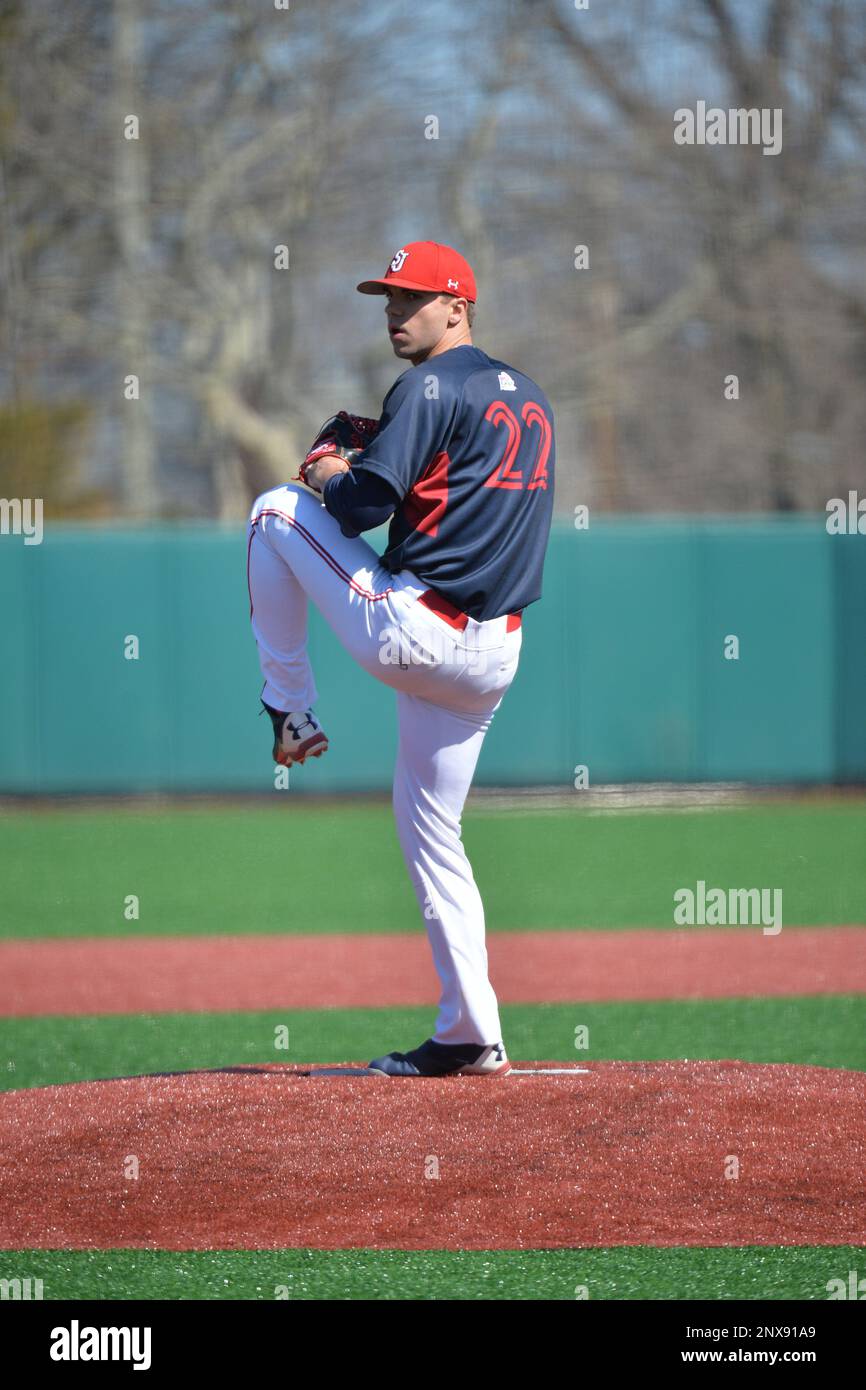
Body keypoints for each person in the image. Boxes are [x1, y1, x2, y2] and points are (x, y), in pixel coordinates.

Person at [246, 240, 555, 1077]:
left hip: (420, 631)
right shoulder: (526, 395)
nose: (394, 310)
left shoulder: (424, 384)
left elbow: (360, 508)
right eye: (387, 296)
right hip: (495, 655)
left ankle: (288, 710)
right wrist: (379, 449)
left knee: (276, 510)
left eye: (413, 297)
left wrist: (329, 467)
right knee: (432, 832)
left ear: (459, 306)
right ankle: (469, 1033)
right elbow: (448, 481)